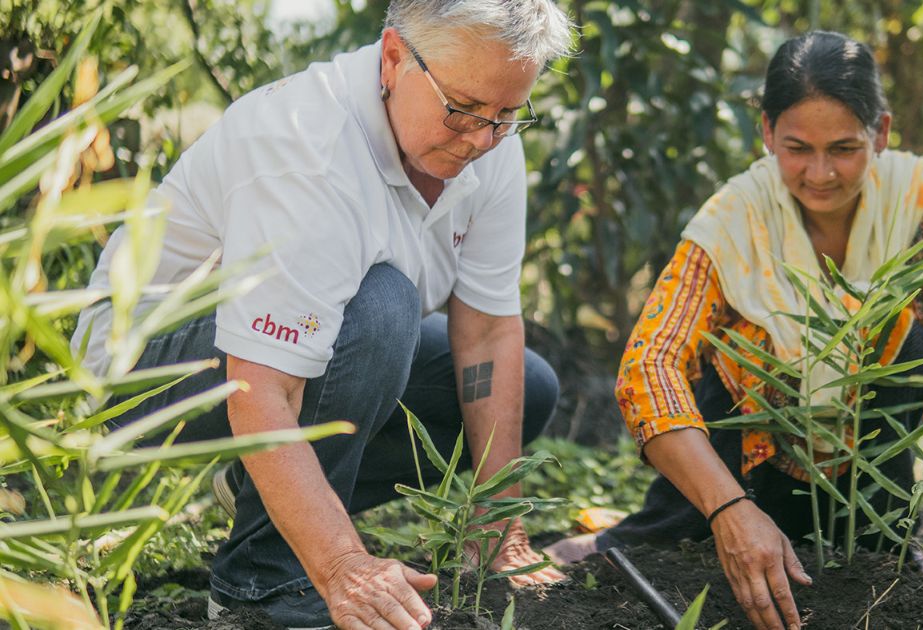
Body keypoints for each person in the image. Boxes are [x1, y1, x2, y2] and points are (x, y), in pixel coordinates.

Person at [546, 30, 923, 630]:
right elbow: (650, 366)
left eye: (845, 148)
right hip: (737, 481)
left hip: (868, 512)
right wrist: (729, 509)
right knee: (647, 547)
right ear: (767, 133)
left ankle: (884, 555)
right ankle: (648, 535)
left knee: (895, 337)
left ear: (880, 133)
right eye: (798, 148)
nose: (821, 173)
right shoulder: (732, 220)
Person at [71, 1, 574, 628]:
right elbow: (258, 388)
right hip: (137, 372)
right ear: (394, 58)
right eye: (464, 109)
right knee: (383, 307)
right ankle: (260, 581)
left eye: (506, 114)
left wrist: (499, 522)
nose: (482, 138)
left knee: (526, 380)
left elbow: (489, 331)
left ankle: (263, 499)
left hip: (294, 352)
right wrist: (342, 563)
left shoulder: (489, 143)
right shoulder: (306, 146)